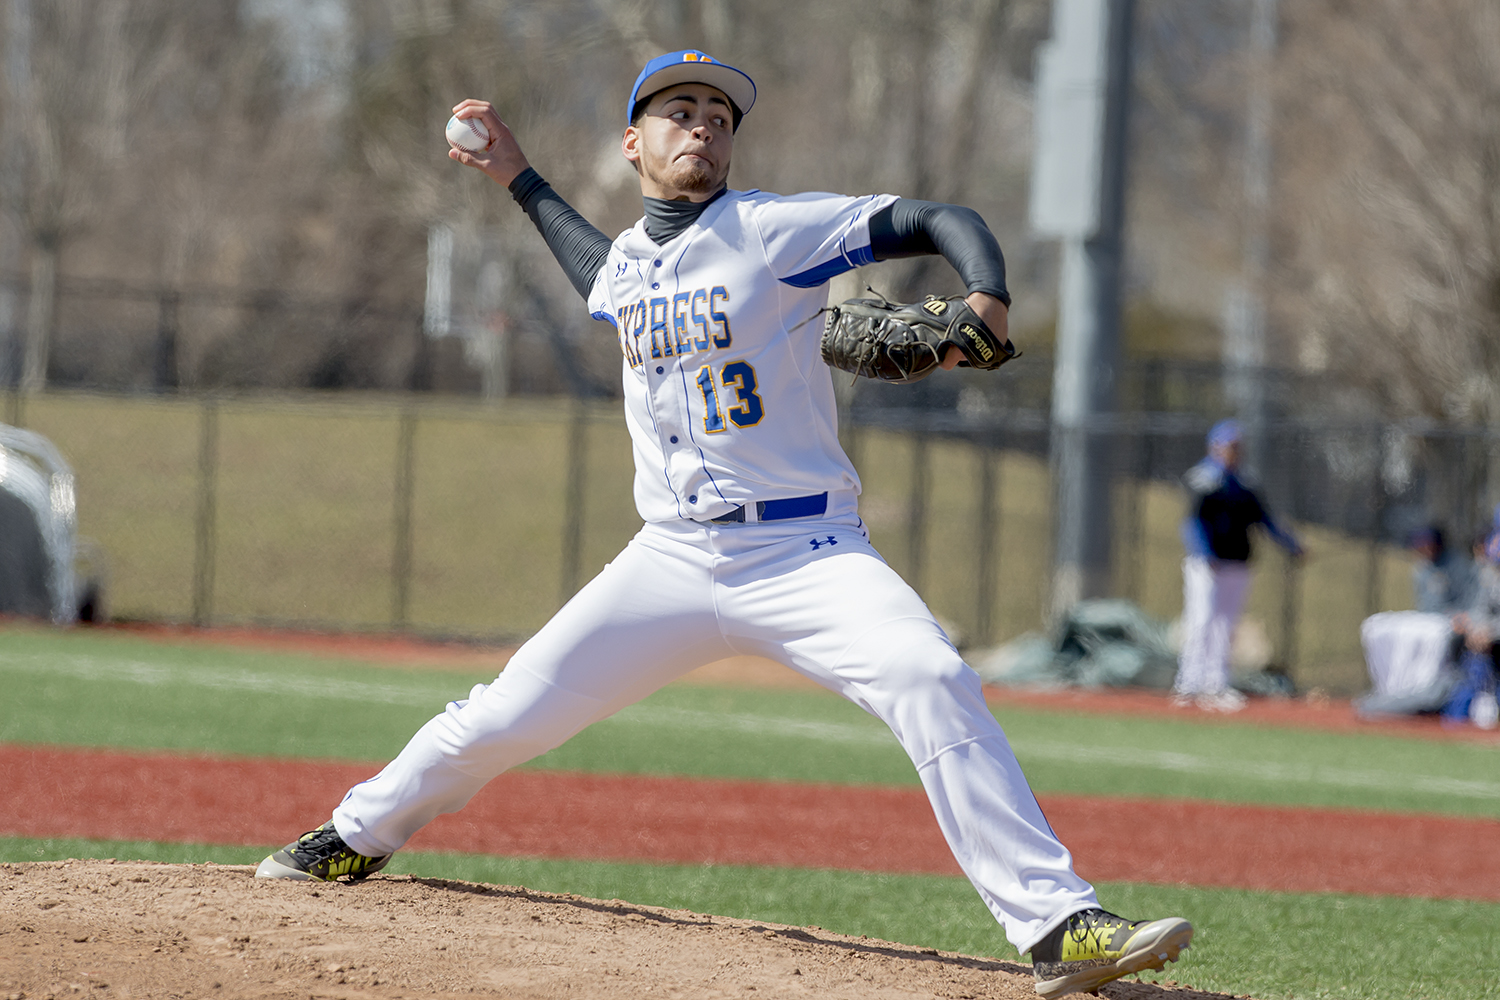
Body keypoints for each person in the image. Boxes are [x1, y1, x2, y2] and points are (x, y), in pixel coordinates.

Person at [255, 50, 1191, 998]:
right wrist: (517, 175)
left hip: (806, 551)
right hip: (668, 557)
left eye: (718, 115)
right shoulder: (628, 263)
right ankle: (351, 837)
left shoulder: (772, 230)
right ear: (634, 142)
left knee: (931, 675)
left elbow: (934, 217)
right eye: (678, 111)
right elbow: (596, 268)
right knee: (501, 714)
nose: (701, 125)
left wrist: (985, 292)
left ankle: (1060, 926)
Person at [1173, 419, 1302, 712]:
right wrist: (1206, 554)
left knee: (1226, 625)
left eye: (1237, 446)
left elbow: (1265, 520)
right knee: (1201, 620)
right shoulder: (1202, 479)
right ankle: (1188, 683)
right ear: (1215, 447)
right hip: (1207, 565)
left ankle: (1215, 684)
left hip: (1238, 563)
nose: (1234, 451)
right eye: (1229, 445)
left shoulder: (1245, 483)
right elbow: (1192, 522)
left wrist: (1293, 545)